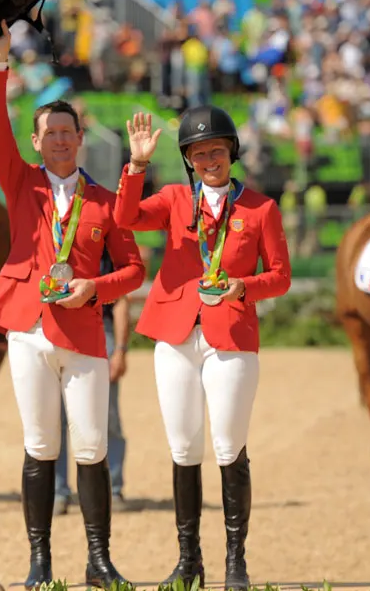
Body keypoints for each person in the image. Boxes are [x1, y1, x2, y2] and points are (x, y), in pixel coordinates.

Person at [0, 20, 145, 591]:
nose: (59, 140)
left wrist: (94, 288)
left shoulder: (105, 201)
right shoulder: (19, 182)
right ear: (36, 142)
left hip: (84, 333)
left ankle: (99, 562)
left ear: (80, 137)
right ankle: (40, 563)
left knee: (92, 447)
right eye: (49, 133)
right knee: (40, 445)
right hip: (28, 330)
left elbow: (134, 270)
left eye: (67, 132)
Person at [112, 107, 292, 591]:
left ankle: (236, 561)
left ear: (231, 153)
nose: (209, 160)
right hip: (174, 335)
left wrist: (244, 286)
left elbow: (280, 276)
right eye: (198, 153)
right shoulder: (174, 199)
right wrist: (137, 165)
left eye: (216, 151)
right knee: (183, 448)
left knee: (229, 448)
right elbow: (125, 217)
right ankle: (189, 561)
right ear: (189, 161)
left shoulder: (261, 209)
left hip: (230, 334)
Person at [53, 249, 130, 516]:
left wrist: (120, 350)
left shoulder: (104, 249)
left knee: (107, 415)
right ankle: (58, 490)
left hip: (99, 325)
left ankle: (113, 487)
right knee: (57, 418)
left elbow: (120, 300)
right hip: (56, 328)